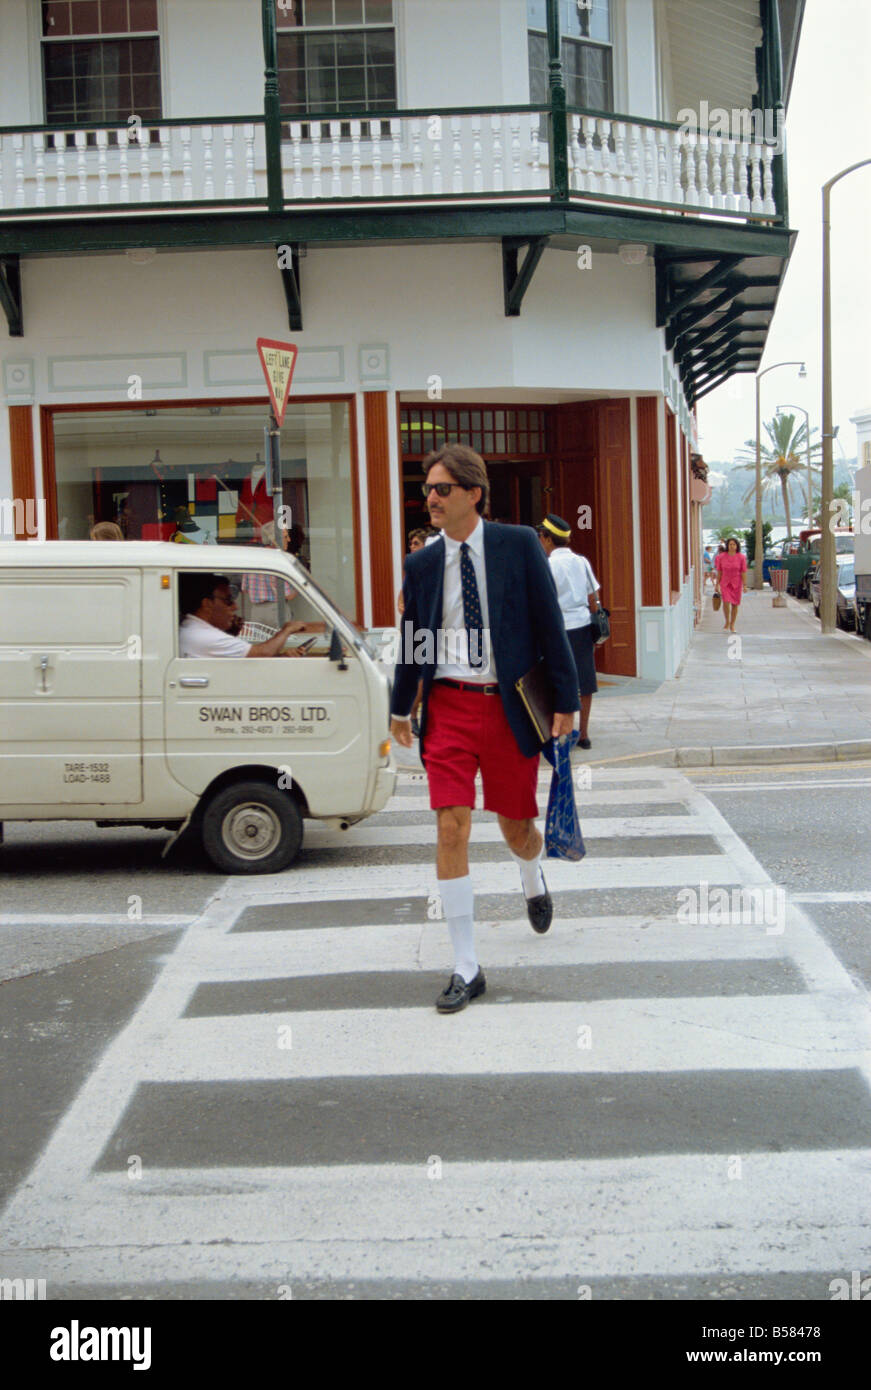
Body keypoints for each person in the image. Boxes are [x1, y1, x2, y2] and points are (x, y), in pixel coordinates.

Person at [390, 444, 579, 1015]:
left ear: (474, 493)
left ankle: (531, 871)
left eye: (442, 488)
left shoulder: (518, 544)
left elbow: (550, 622)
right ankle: (466, 966)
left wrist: (566, 701)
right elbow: (413, 638)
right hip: (447, 706)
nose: (431, 498)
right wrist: (401, 708)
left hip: (507, 706)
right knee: (452, 826)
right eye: (427, 489)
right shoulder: (421, 563)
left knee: (517, 827)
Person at [536, 513, 600, 749]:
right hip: (582, 625)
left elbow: (542, 601)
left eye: (541, 537)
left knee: (554, 680)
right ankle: (583, 734)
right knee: (584, 681)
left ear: (547, 539)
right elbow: (593, 597)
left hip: (556, 630)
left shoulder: (547, 565)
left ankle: (556, 731)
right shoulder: (581, 561)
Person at [178, 573, 308, 658]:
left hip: (257, 607)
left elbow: (245, 589)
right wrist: (287, 630)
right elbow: (262, 653)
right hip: (274, 607)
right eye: (228, 601)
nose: (235, 607)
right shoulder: (204, 636)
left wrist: (283, 657)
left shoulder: (191, 629)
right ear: (207, 604)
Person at [397, 528, 429, 736]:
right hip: (414, 628)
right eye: (411, 543)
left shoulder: (428, 568)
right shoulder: (413, 570)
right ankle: (412, 715)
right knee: (418, 674)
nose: (412, 547)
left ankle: (415, 714)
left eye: (416, 543)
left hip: (425, 628)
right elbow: (401, 599)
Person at [714, 536, 747, 632]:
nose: (732, 546)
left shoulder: (741, 557)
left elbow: (743, 571)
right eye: (730, 544)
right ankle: (727, 621)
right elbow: (719, 571)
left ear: (737, 546)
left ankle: (732, 624)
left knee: (735, 604)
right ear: (727, 546)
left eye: (734, 544)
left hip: (737, 583)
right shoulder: (721, 557)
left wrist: (745, 585)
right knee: (725, 602)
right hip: (725, 583)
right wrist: (717, 584)